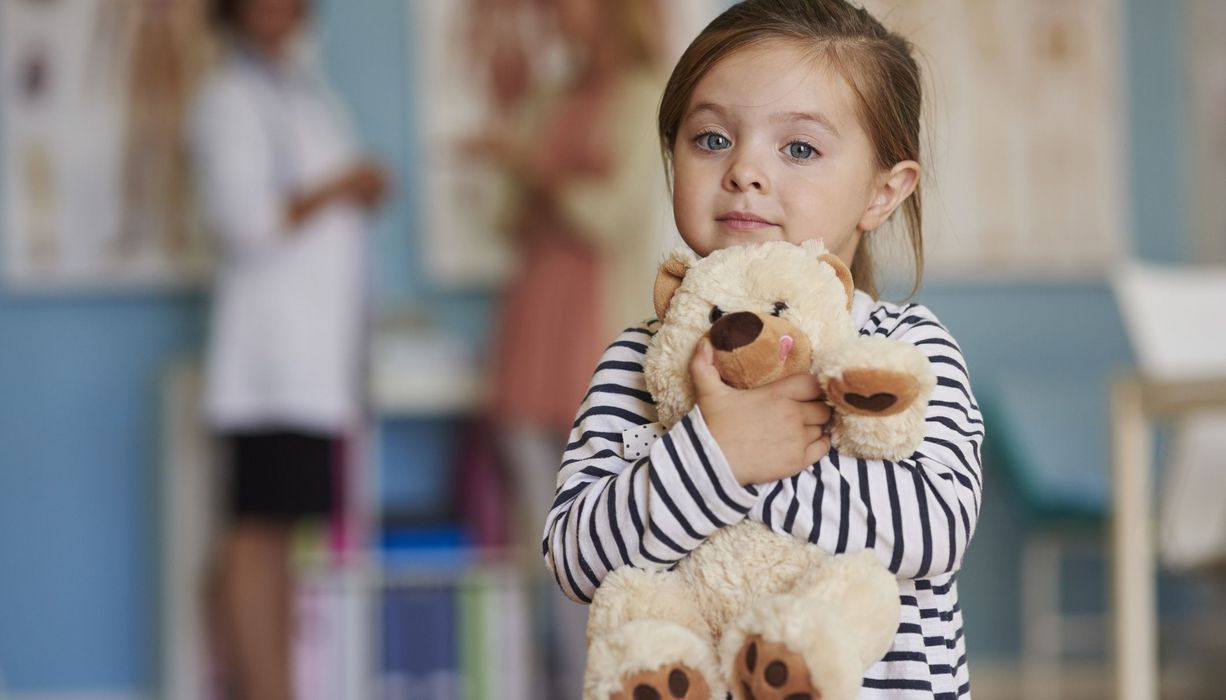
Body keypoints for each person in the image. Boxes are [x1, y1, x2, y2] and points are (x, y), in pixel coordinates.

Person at [542, 0, 984, 698]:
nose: (745, 170)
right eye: (711, 139)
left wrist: (764, 462)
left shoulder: (904, 347)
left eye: (799, 148)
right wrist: (714, 454)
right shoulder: (635, 363)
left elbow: (934, 529)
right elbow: (576, 560)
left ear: (883, 192)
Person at [463, 0, 671, 696]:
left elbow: (609, 214)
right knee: (539, 540)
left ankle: (616, 679)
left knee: (612, 533)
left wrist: (533, 172)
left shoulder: (648, 95)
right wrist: (537, 188)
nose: (558, 14)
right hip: (531, 328)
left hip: (597, 332)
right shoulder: (549, 97)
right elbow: (504, 216)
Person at [189, 1, 387, 699]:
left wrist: (349, 190)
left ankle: (272, 687)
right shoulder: (227, 98)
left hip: (311, 358)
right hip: (269, 362)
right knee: (254, 534)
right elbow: (245, 221)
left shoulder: (304, 91)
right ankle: (260, 688)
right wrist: (344, 185)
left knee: (280, 537)